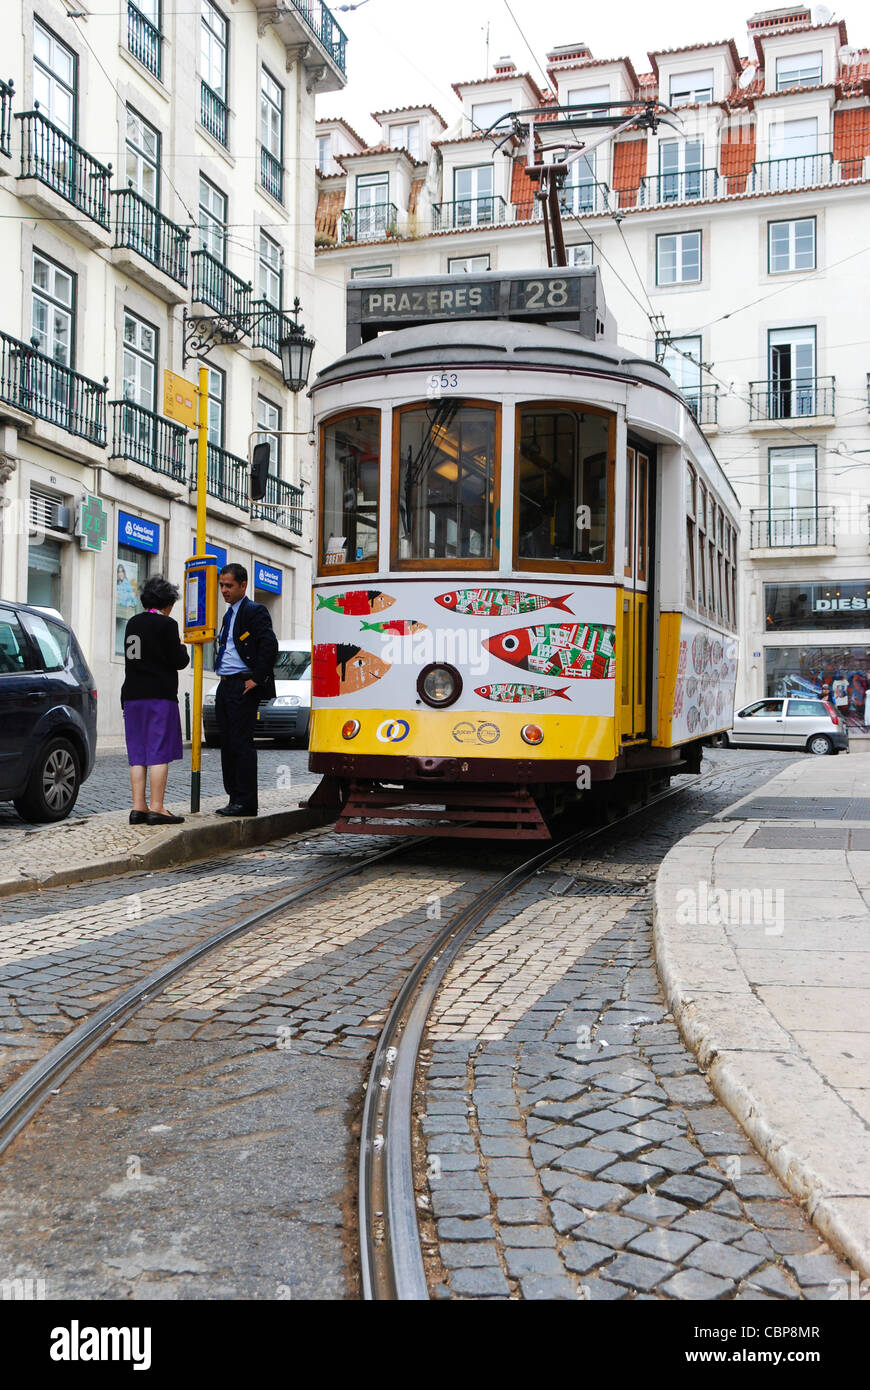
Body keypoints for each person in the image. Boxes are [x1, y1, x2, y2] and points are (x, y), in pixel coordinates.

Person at [121, 575, 190, 825]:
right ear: (167, 602)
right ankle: (157, 808)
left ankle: (138, 807)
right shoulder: (167, 625)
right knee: (158, 752)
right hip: (159, 696)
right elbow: (179, 660)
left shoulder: (132, 623)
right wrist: (181, 646)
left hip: (132, 695)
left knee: (137, 753)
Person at [213, 563, 278, 816]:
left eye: (228, 585)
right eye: (221, 585)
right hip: (226, 684)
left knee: (241, 744)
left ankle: (246, 801)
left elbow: (269, 645)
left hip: (242, 685)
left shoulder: (254, 611)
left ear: (243, 585)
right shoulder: (228, 614)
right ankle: (234, 798)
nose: (224, 590)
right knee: (227, 743)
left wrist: (256, 679)